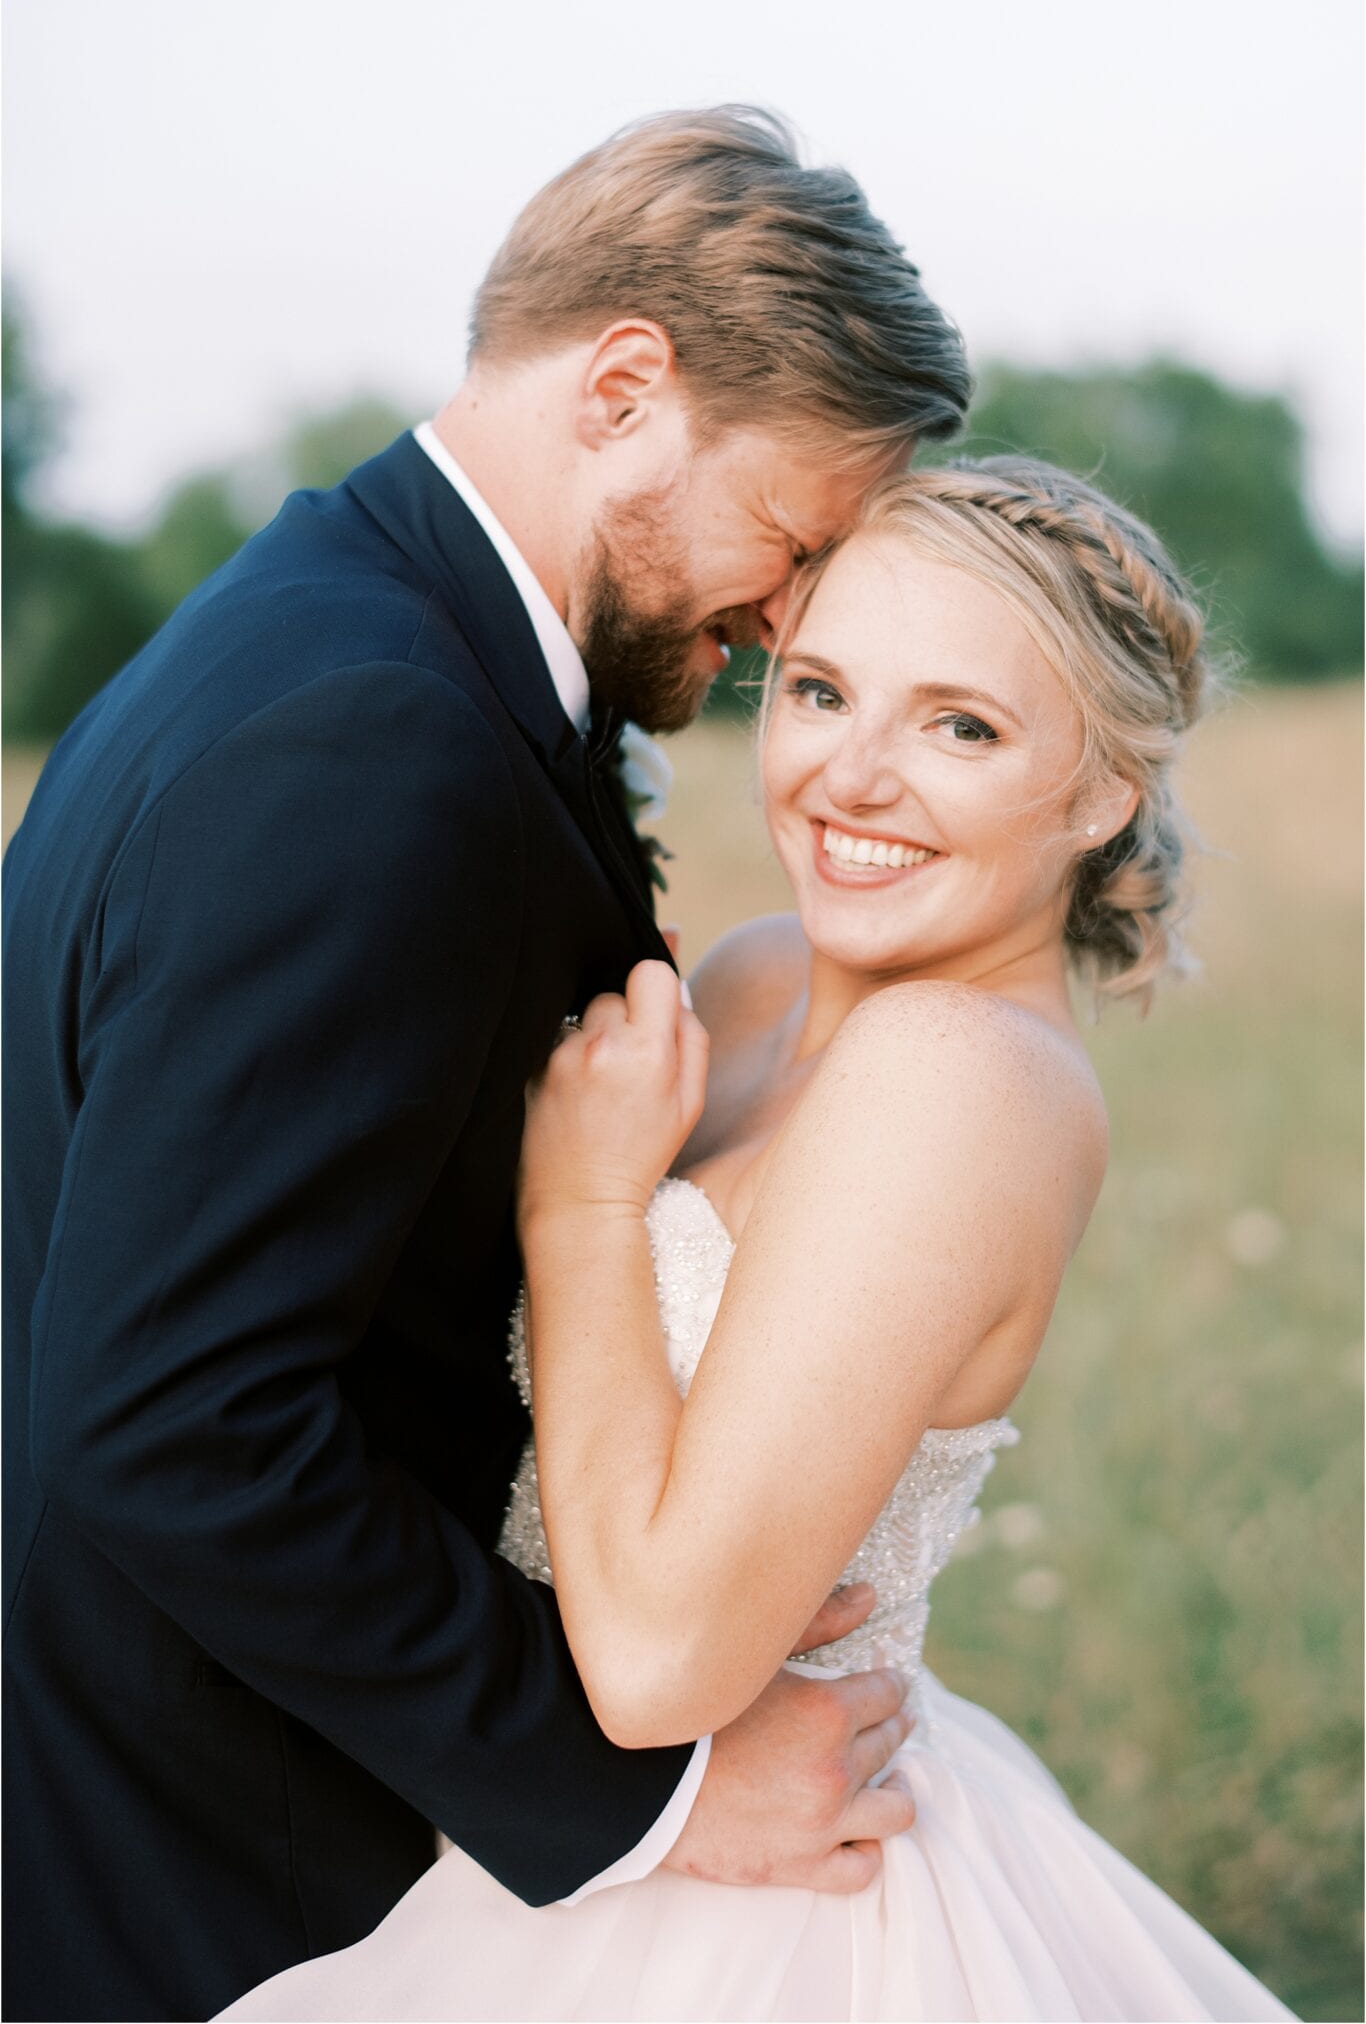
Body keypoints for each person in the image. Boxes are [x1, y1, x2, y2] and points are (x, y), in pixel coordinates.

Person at [0, 108, 971, 2023]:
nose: (788, 619)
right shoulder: (374, 737)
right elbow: (175, 1419)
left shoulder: (338, 626)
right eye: (791, 540)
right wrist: (645, 1791)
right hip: (216, 1854)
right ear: (623, 390)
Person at [217, 458, 1296, 2022]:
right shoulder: (752, 978)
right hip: (536, 1820)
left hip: (741, 1912)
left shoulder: (957, 1077)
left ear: (1097, 792)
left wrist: (580, 1208)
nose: (851, 778)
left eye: (960, 727)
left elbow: (661, 1661)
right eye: (819, 692)